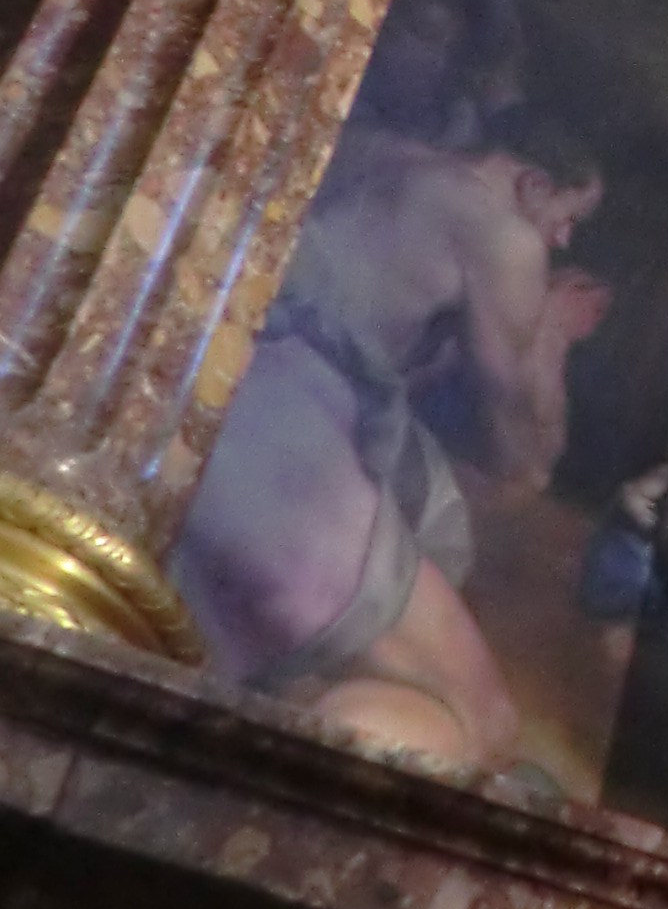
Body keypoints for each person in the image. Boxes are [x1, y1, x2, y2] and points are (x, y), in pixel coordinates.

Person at [176, 116, 610, 768]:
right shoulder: (503, 234)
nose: (565, 239)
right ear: (532, 183)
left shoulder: (379, 154)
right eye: (568, 217)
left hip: (206, 406)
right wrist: (552, 332)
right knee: (483, 722)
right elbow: (521, 454)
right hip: (291, 460)